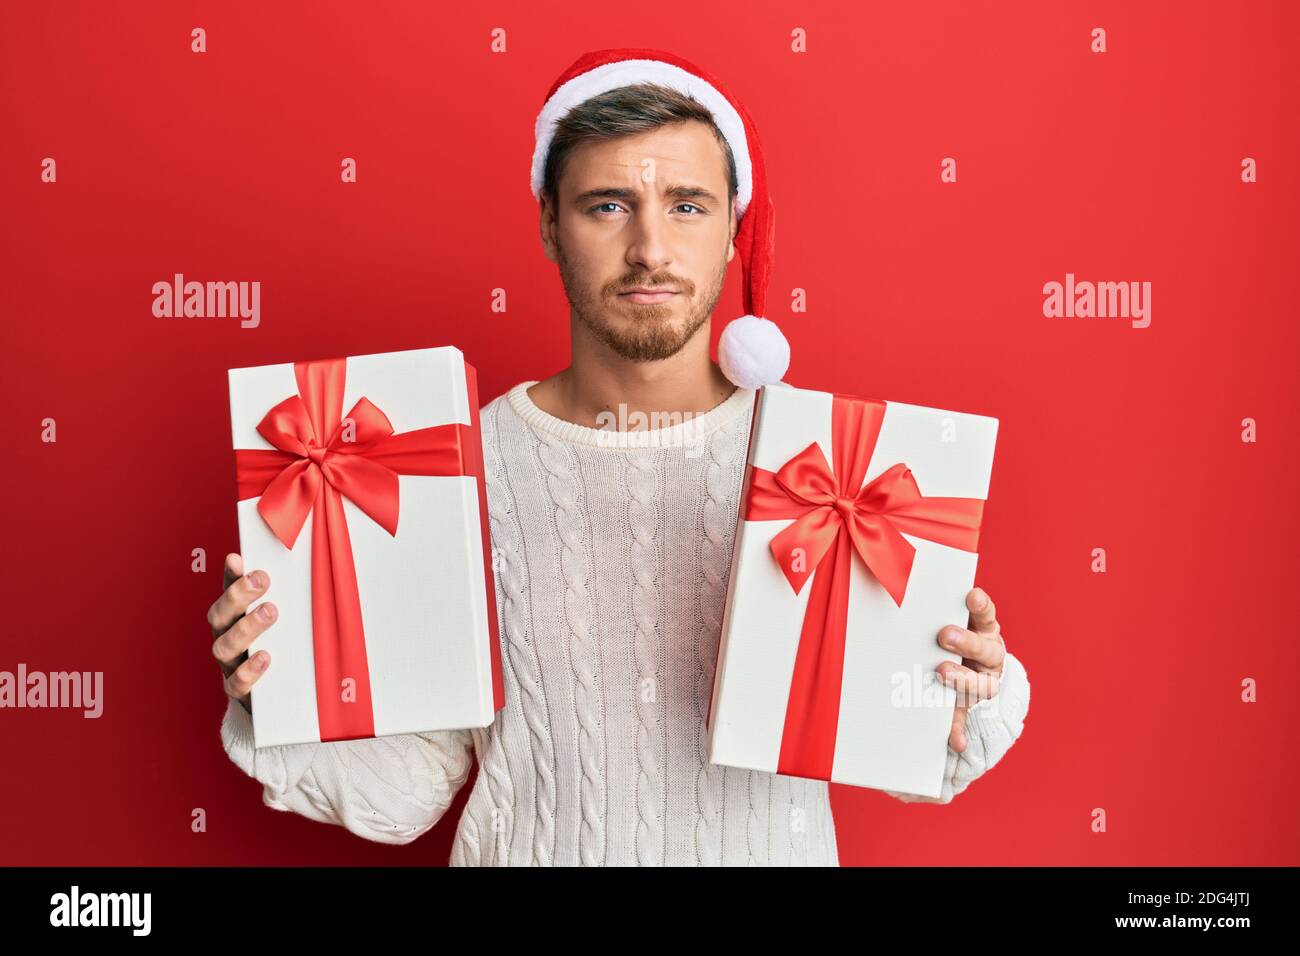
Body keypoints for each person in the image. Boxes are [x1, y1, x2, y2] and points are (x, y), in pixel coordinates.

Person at [210, 48, 1031, 866]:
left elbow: (920, 756)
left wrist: (963, 687)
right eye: (608, 205)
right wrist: (275, 690)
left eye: (686, 205)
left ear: (733, 230)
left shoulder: (834, 476)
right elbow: (402, 797)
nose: (649, 248)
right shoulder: (445, 472)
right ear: (547, 225)